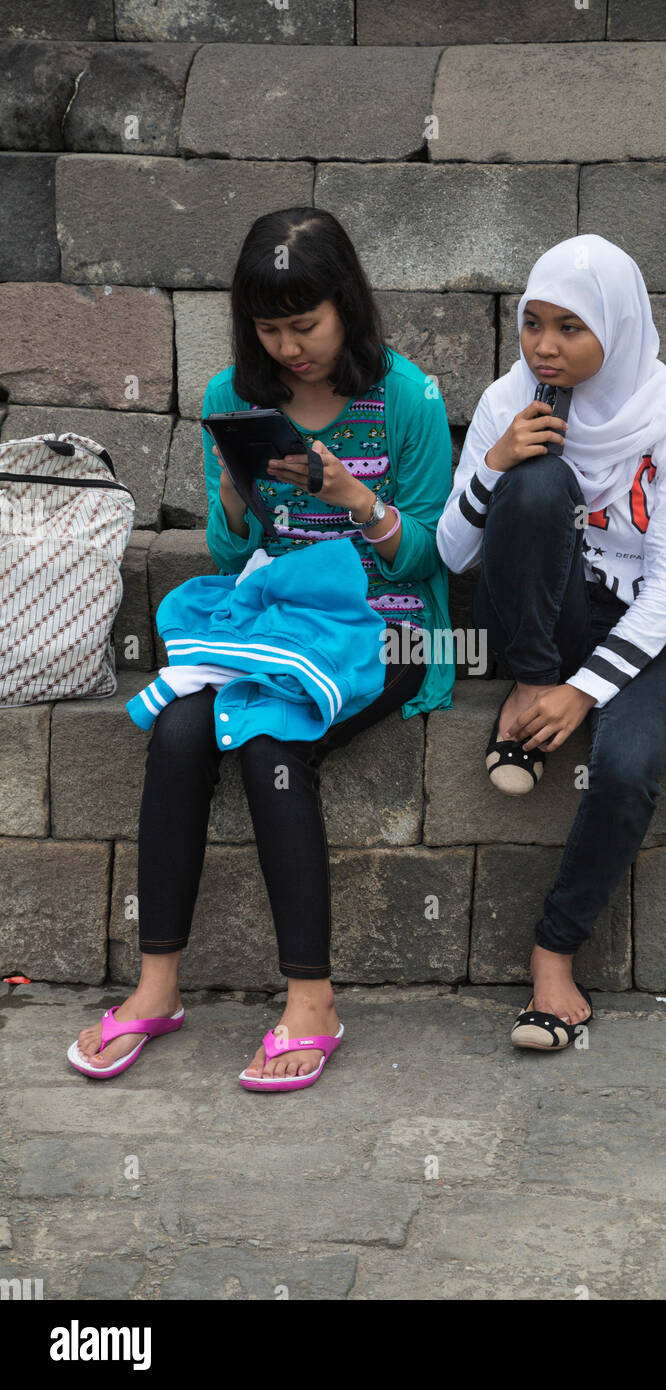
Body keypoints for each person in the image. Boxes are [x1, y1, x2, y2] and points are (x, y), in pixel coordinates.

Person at [68, 207, 454, 1090]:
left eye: (304, 324)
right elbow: (234, 554)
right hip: (275, 618)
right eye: (269, 329)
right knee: (177, 731)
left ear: (346, 307)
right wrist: (239, 501)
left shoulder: (408, 397)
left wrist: (355, 496)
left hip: (380, 621)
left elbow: (431, 552)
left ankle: (311, 1000)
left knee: (272, 743)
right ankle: (157, 986)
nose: (289, 348)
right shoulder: (228, 398)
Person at [436, 234, 666, 1052]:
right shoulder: (510, 399)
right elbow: (452, 554)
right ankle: (523, 692)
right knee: (535, 481)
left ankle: (554, 955)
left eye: (569, 328)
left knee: (626, 767)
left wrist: (585, 690)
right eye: (531, 324)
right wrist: (492, 463)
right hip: (538, 617)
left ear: (616, 329)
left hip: (644, 626)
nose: (544, 347)